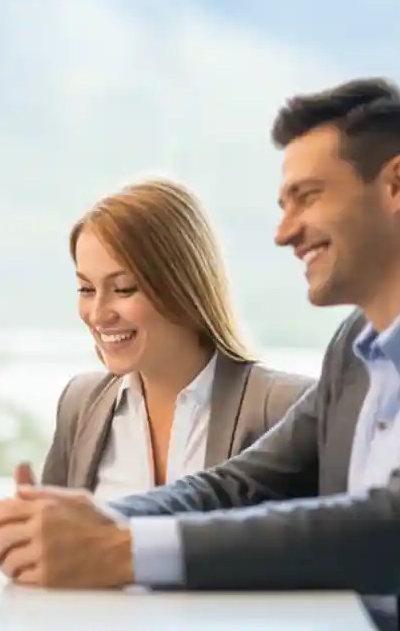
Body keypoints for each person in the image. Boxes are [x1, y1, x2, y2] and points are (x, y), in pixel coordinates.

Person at [0, 79, 400, 630]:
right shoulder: (357, 346)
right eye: (283, 203)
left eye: (307, 196)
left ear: (398, 183)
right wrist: (97, 515)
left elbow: (399, 532)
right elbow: (243, 485)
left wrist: (121, 551)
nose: (284, 231)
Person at [41, 178, 312, 498]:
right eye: (86, 289)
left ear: (184, 286)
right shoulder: (81, 403)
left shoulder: (284, 408)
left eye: (124, 288)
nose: (98, 314)